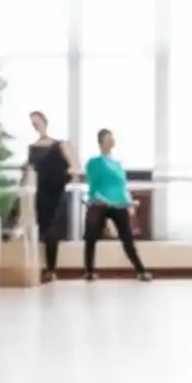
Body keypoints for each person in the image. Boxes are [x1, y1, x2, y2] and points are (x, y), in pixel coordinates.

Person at [83, 129, 151, 281]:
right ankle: (89, 271)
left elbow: (122, 186)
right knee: (91, 237)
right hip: (99, 203)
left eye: (111, 138)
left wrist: (129, 203)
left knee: (127, 237)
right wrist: (101, 200)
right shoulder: (94, 162)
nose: (111, 141)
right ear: (101, 142)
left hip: (119, 205)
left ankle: (141, 270)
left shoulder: (117, 164)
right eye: (107, 138)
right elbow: (93, 185)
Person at [24, 111, 80, 282]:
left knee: (52, 231)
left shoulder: (61, 144)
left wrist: (67, 176)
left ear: (44, 122)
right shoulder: (32, 148)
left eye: (37, 122)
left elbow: (75, 167)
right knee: (40, 230)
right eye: (32, 123)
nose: (35, 125)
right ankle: (38, 269)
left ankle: (51, 270)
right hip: (40, 194)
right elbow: (28, 171)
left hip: (57, 193)